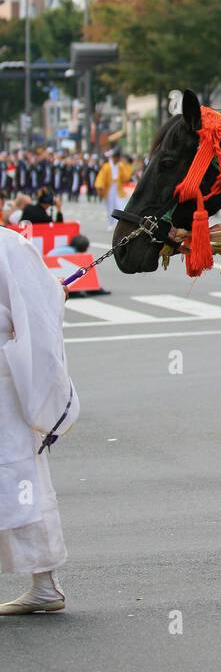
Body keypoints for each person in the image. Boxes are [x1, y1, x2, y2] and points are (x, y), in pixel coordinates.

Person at [0, 229, 79, 614]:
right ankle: (44, 584)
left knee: (19, 476)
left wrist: (54, 296)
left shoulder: (8, 245)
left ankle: (45, 584)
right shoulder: (9, 245)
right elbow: (42, 303)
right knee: (21, 475)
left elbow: (39, 303)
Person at [95, 148, 132, 227]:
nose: (117, 159)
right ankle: (110, 223)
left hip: (118, 190)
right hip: (109, 190)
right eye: (116, 157)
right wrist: (100, 186)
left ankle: (119, 224)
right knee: (110, 207)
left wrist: (126, 165)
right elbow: (101, 177)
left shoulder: (121, 166)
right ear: (113, 157)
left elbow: (126, 178)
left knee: (121, 207)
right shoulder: (106, 166)